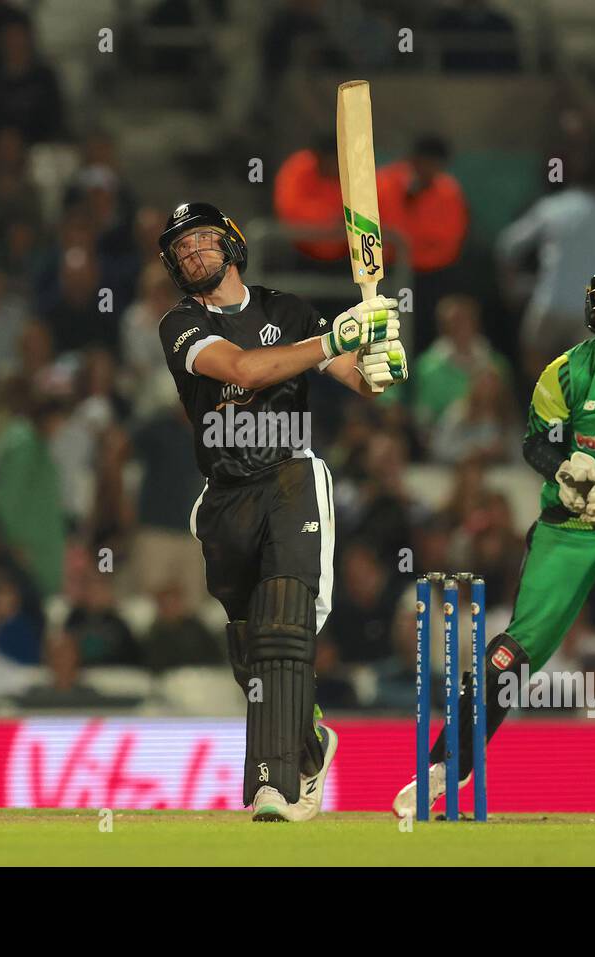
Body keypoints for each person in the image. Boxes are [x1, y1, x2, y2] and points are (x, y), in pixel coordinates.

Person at [392, 257, 595, 823]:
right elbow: (537, 444)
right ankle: (441, 769)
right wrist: (565, 473)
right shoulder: (563, 372)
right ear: (593, 304)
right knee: (511, 652)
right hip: (569, 526)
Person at [156, 202, 407, 821]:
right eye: (182, 251)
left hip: (290, 475)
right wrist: (334, 338)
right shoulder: (179, 324)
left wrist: (380, 362)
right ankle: (311, 744)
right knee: (249, 650)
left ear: (233, 243)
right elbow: (244, 369)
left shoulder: (288, 309)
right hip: (223, 493)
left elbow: (360, 380)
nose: (194, 256)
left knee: (283, 625)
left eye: (204, 242)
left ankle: (277, 785)